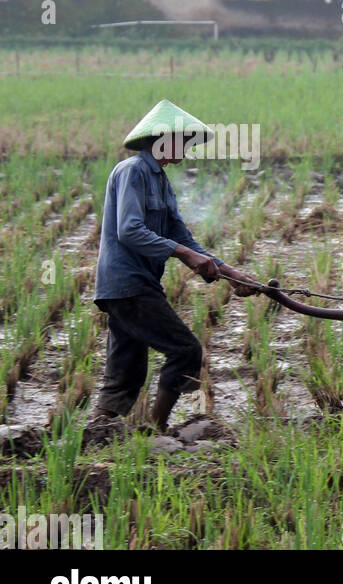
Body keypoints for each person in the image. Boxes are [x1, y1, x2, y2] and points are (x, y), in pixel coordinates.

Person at [91, 99, 258, 432]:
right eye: (184, 142)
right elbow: (130, 230)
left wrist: (231, 273)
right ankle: (156, 432)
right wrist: (183, 254)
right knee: (185, 350)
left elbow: (183, 236)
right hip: (127, 283)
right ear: (162, 139)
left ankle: (98, 432)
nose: (187, 151)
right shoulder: (133, 170)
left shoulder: (162, 182)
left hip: (137, 285)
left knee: (127, 366)